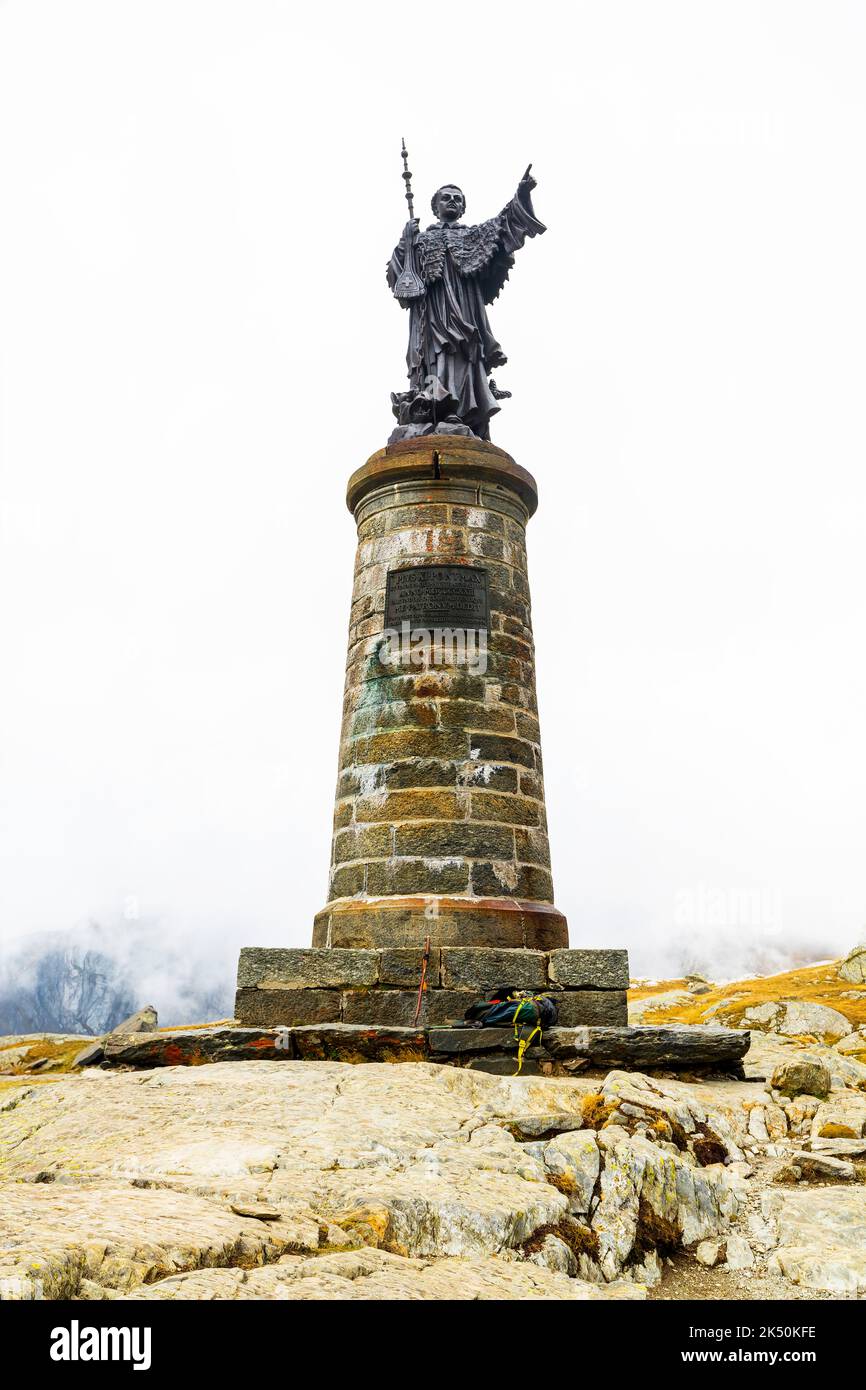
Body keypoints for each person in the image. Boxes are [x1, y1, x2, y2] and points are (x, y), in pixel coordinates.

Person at [387, 170, 546, 439]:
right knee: (437, 355)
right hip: (432, 314)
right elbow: (399, 277)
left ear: (462, 208)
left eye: (457, 199)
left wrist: (521, 195)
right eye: (446, 198)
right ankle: (435, 405)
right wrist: (405, 242)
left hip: (465, 310)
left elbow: (503, 226)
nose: (452, 202)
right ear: (435, 207)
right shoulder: (420, 239)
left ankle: (459, 409)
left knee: (463, 354)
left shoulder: (474, 235)